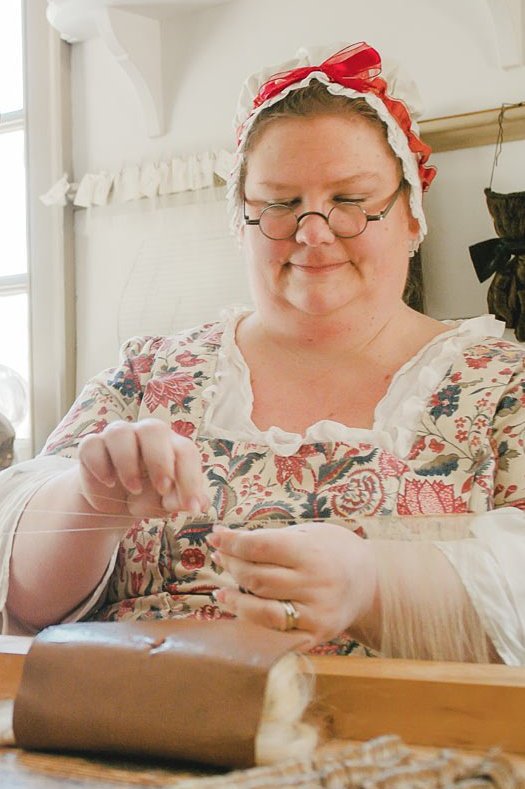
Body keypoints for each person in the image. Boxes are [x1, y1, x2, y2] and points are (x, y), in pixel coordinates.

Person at [1, 42, 524, 664]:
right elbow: (25, 604)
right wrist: (93, 502)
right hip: (128, 735)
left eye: (351, 201)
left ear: (411, 217)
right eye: (278, 203)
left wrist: (377, 586)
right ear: (241, 222)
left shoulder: (499, 386)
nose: (312, 231)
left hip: (390, 746)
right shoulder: (150, 375)